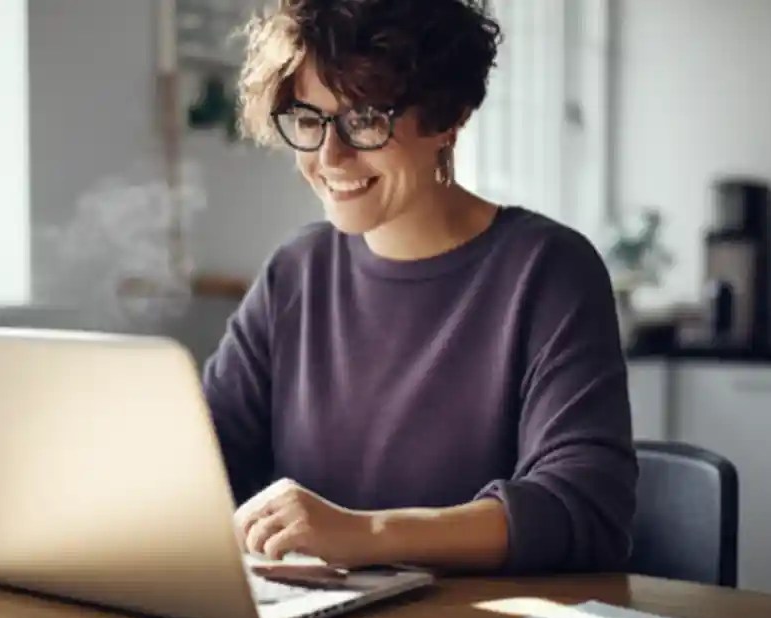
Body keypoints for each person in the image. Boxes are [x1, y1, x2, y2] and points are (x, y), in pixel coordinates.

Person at [202, 0, 637, 574]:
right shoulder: (295, 272)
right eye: (308, 119)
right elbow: (202, 465)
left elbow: (584, 509)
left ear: (448, 116)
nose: (329, 155)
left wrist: (369, 533)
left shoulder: (547, 271)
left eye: (363, 119)